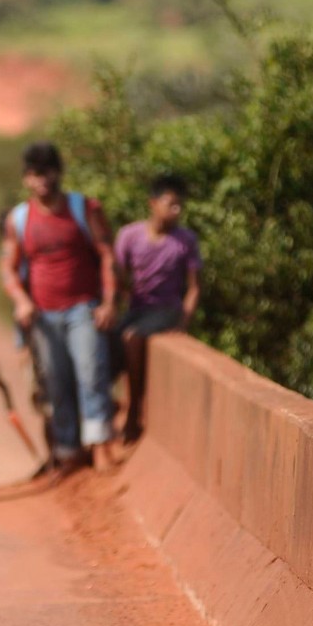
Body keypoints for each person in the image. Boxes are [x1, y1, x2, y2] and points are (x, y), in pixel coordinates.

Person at [0, 141, 118, 479]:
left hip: (83, 308)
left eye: (48, 171)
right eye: (36, 174)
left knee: (91, 373)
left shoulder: (84, 208)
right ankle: (68, 451)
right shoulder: (19, 219)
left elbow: (107, 254)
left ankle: (99, 445)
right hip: (43, 316)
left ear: (59, 172)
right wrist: (22, 302)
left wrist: (109, 302)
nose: (43, 180)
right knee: (56, 382)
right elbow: (9, 267)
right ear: (27, 179)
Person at [114, 174, 202, 443]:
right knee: (105, 345)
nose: (176, 211)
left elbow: (194, 287)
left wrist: (182, 323)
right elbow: (117, 275)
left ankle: (134, 411)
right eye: (170, 204)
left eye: (179, 206)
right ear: (153, 203)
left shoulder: (185, 241)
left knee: (132, 338)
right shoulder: (129, 235)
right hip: (137, 309)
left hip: (166, 310)